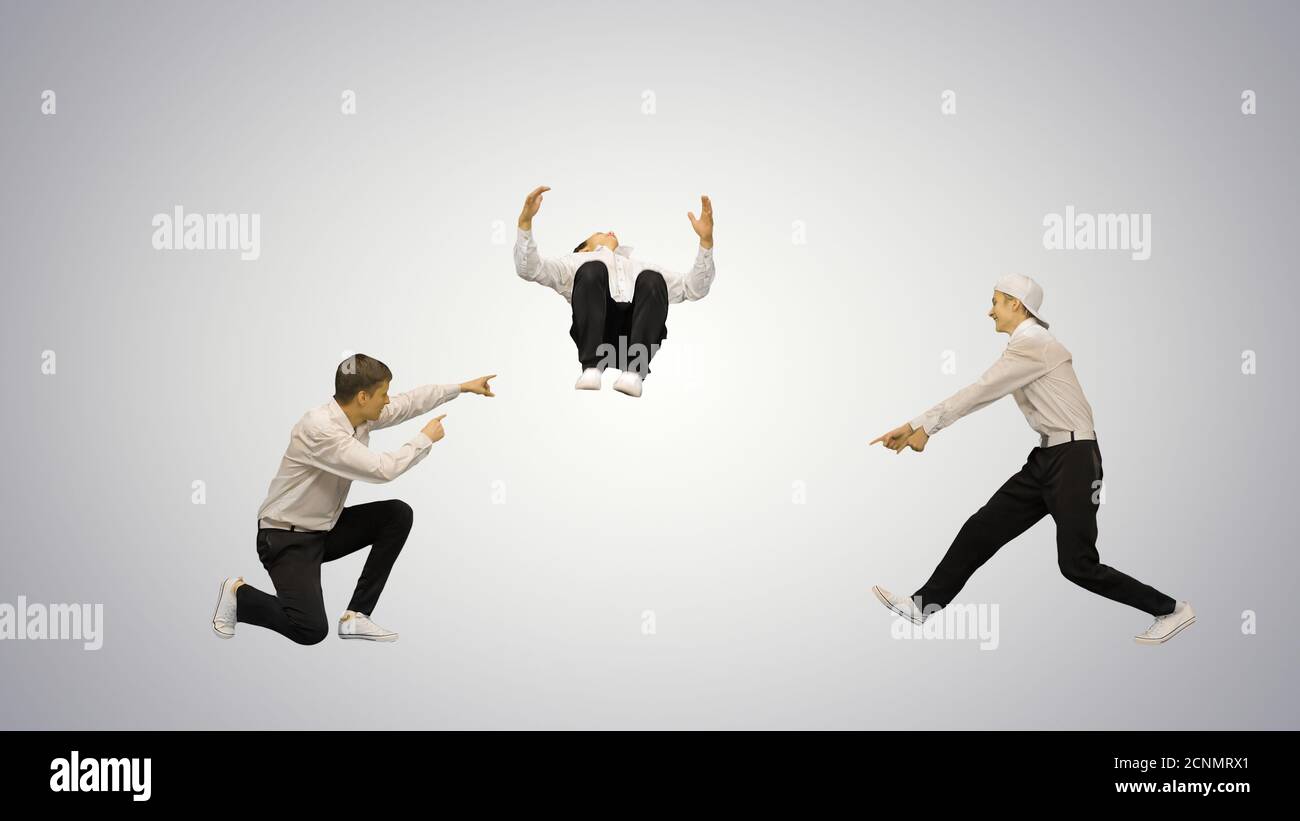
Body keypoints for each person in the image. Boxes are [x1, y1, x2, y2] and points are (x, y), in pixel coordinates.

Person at [869, 274, 1194, 645]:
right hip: (1047, 459)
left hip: (1074, 460)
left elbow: (981, 390)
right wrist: (922, 430)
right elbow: (985, 392)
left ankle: (1171, 610)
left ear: (1016, 305)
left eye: (995, 301)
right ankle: (923, 605)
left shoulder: (1034, 343)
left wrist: (918, 425)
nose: (989, 311)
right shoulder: (1025, 346)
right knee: (981, 528)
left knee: (1077, 566)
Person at [211, 354, 496, 644]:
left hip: (326, 530)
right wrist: (424, 439)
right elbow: (382, 470)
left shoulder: (358, 416)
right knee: (309, 630)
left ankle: (357, 616)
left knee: (397, 515)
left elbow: (409, 402)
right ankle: (238, 595)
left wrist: (461, 388)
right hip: (285, 538)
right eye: (383, 394)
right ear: (362, 396)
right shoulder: (320, 429)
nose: (387, 401)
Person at [512, 185, 716, 397]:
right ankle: (592, 367)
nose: (608, 231)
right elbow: (531, 269)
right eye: (599, 233)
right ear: (584, 248)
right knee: (592, 270)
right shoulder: (574, 262)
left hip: (636, 336)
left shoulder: (638, 266)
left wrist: (706, 242)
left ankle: (634, 372)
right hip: (596, 334)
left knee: (652, 279)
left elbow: (693, 288)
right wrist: (525, 223)